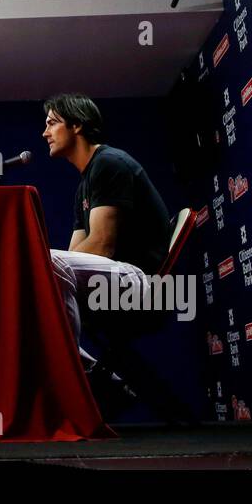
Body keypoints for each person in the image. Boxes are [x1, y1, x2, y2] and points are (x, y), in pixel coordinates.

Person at [42, 94, 170, 371]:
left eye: (52, 123)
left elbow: (101, 247)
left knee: (46, 262)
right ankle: (95, 380)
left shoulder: (110, 163)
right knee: (40, 282)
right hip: (111, 281)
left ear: (76, 125)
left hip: (145, 287)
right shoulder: (84, 185)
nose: (45, 133)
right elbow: (74, 255)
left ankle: (72, 378)